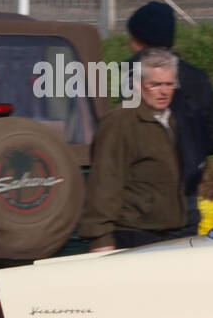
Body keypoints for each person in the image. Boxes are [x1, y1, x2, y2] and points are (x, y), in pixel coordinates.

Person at [127, 1, 213, 236]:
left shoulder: (125, 76)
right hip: (185, 201)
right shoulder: (197, 79)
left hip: (138, 206)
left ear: (140, 41)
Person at [79, 47, 185, 252]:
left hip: (167, 234)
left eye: (169, 84)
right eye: (155, 84)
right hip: (132, 235)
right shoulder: (121, 121)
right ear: (139, 85)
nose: (163, 91)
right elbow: (105, 182)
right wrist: (101, 239)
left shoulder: (168, 119)